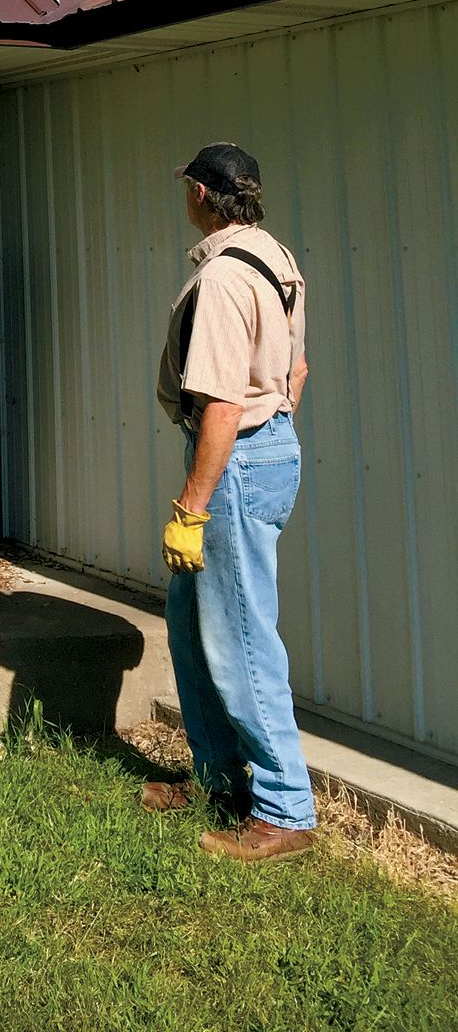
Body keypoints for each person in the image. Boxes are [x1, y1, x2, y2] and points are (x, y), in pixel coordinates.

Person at [144, 141, 317, 861]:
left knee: (241, 641)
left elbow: (219, 404)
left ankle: (284, 810)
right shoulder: (276, 259)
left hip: (232, 462)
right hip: (263, 451)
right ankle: (220, 780)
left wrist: (193, 506)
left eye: (186, 185)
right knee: (192, 628)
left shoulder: (221, 278)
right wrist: (271, 435)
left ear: (201, 196)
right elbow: (295, 370)